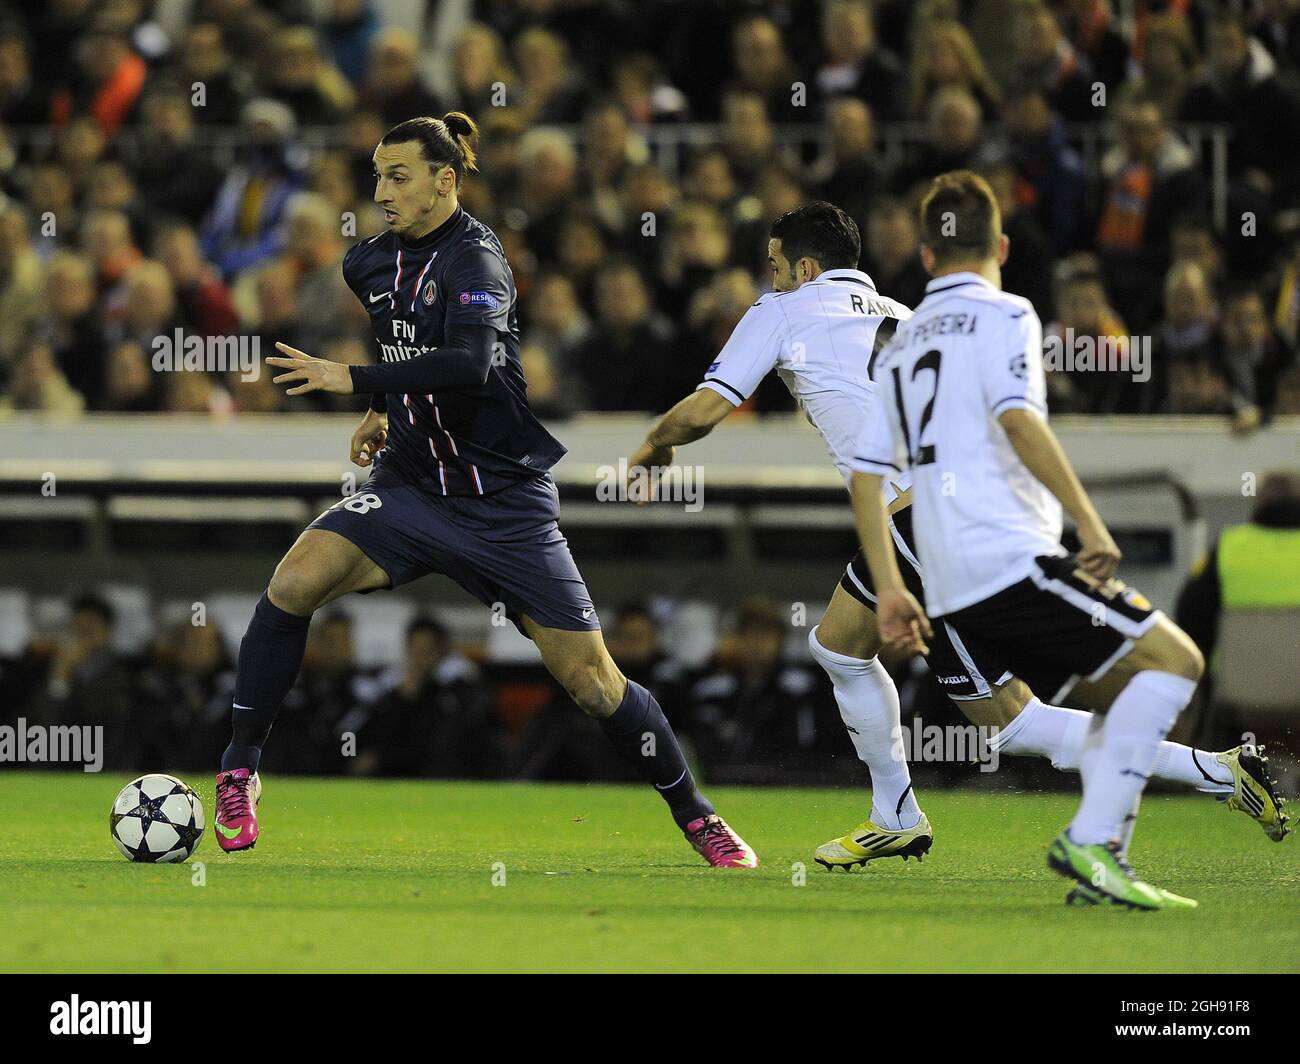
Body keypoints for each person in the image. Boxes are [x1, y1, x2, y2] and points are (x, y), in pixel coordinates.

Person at [627, 200, 1287, 882]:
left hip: (921, 526)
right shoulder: (903, 316)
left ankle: (899, 816)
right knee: (982, 708)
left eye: (773, 268)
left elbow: (708, 407)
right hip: (970, 514)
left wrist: (653, 443)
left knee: (899, 673)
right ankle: (1216, 771)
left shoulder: (782, 310)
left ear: (803, 267)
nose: (769, 282)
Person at [216, 112, 755, 869]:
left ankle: (696, 813)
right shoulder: (366, 264)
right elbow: (407, 342)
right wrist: (382, 409)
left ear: (446, 180)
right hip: (409, 484)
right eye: (376, 175)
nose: (381, 191)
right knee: (294, 579)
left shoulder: (480, 261)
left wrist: (354, 380)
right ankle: (239, 771)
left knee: (595, 683)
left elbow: (468, 364)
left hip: (501, 500)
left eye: (398, 176)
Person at [851, 171, 1286, 909]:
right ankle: (1096, 840)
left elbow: (866, 479)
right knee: (1175, 663)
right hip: (1010, 558)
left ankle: (1118, 851)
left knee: (1042, 716)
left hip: (946, 580)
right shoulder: (1009, 313)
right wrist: (1088, 519)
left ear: (925, 257)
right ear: (1004, 247)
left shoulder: (898, 346)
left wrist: (892, 587)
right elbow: (1021, 421)